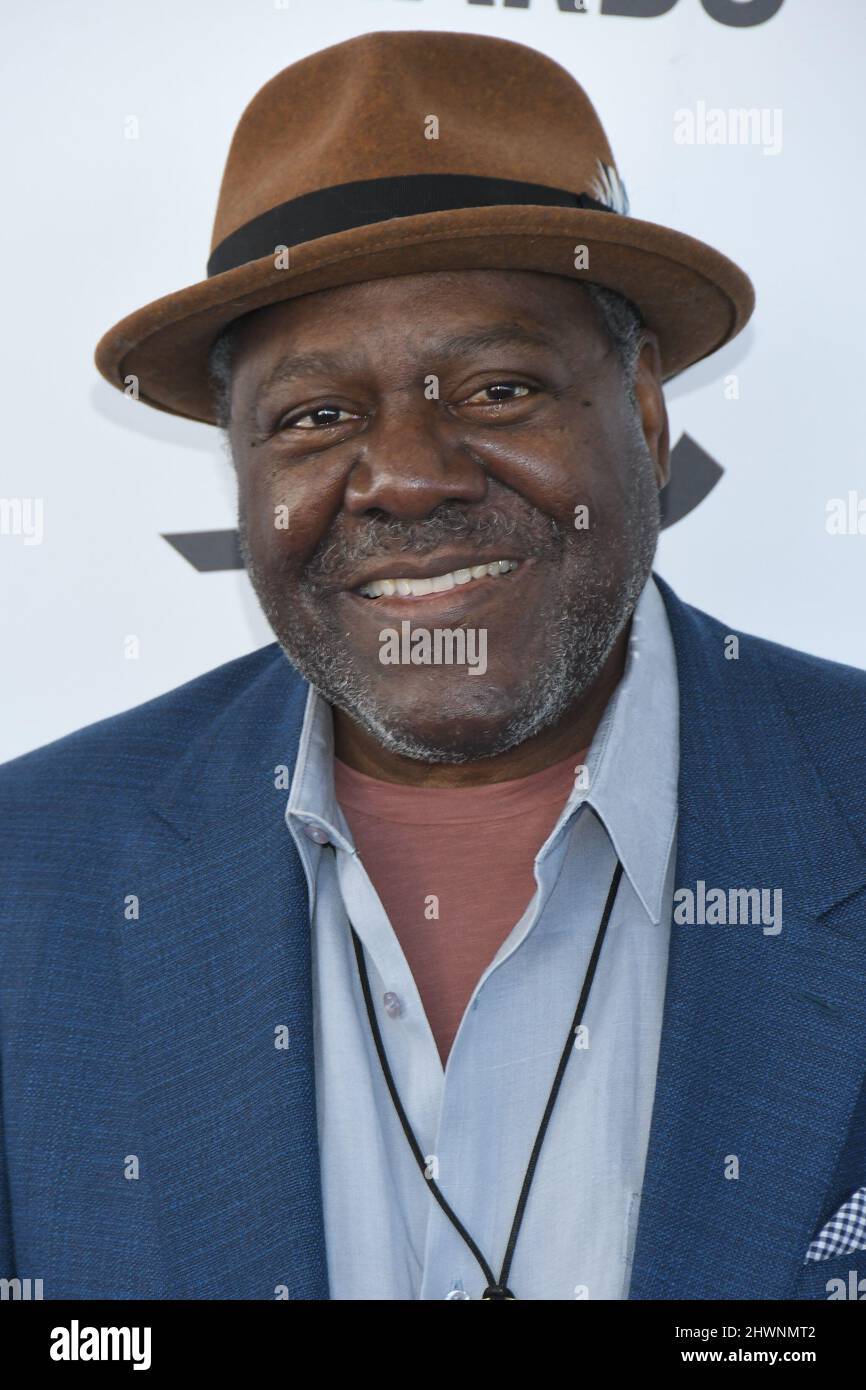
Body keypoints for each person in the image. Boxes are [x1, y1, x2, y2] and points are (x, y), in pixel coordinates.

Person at [1, 29, 864, 1302]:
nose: (405, 475)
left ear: (641, 413)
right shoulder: (29, 875)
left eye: (498, 387)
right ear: (240, 470)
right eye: (315, 416)